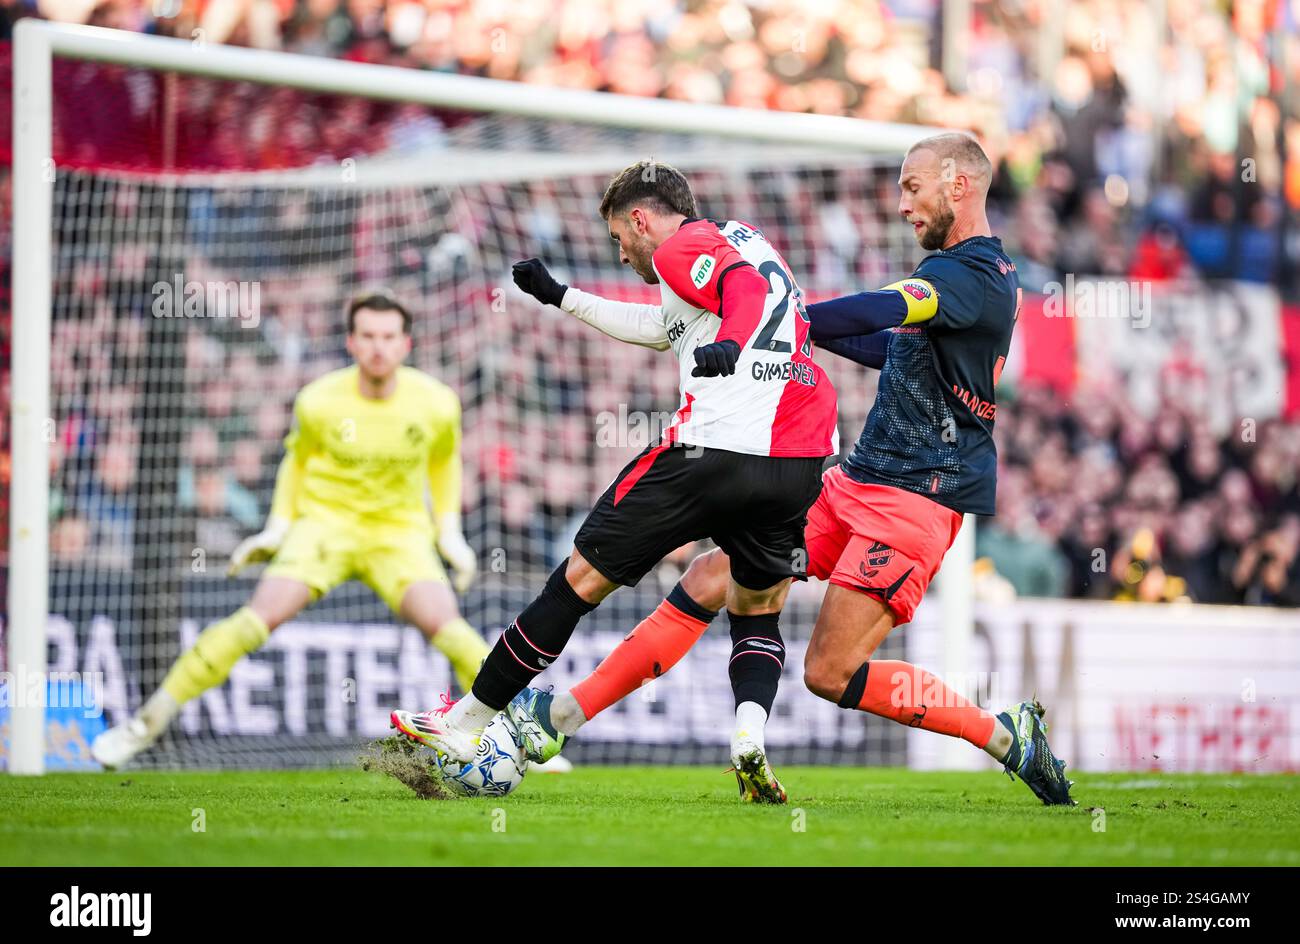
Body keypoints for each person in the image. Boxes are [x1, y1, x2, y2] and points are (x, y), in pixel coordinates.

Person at [487, 136, 1075, 806]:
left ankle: (1004, 736)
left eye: (914, 187)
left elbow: (881, 308)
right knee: (713, 575)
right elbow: (891, 350)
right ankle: (558, 719)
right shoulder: (958, 281)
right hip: (854, 479)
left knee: (829, 670)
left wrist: (787, 316)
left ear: (961, 185)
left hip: (919, 498)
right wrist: (794, 328)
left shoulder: (970, 275)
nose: (902, 202)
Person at [392, 160, 839, 802]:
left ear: (640, 218)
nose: (621, 251)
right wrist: (561, 296)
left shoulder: (684, 244)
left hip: (711, 449)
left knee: (578, 580)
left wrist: (734, 345)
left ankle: (466, 723)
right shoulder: (742, 240)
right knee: (758, 606)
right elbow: (665, 331)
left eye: (618, 237)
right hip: (797, 460)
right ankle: (748, 738)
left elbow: (739, 292)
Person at [92, 291, 489, 768]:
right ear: (351, 342)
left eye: (388, 337)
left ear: (406, 344)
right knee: (253, 622)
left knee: (452, 632)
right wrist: (277, 528)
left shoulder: (436, 403)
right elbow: (296, 464)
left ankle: (508, 739)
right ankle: (143, 727)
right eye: (368, 336)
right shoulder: (318, 400)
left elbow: (445, 463)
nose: (378, 347)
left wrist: (449, 531)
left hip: (399, 533)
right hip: (324, 526)